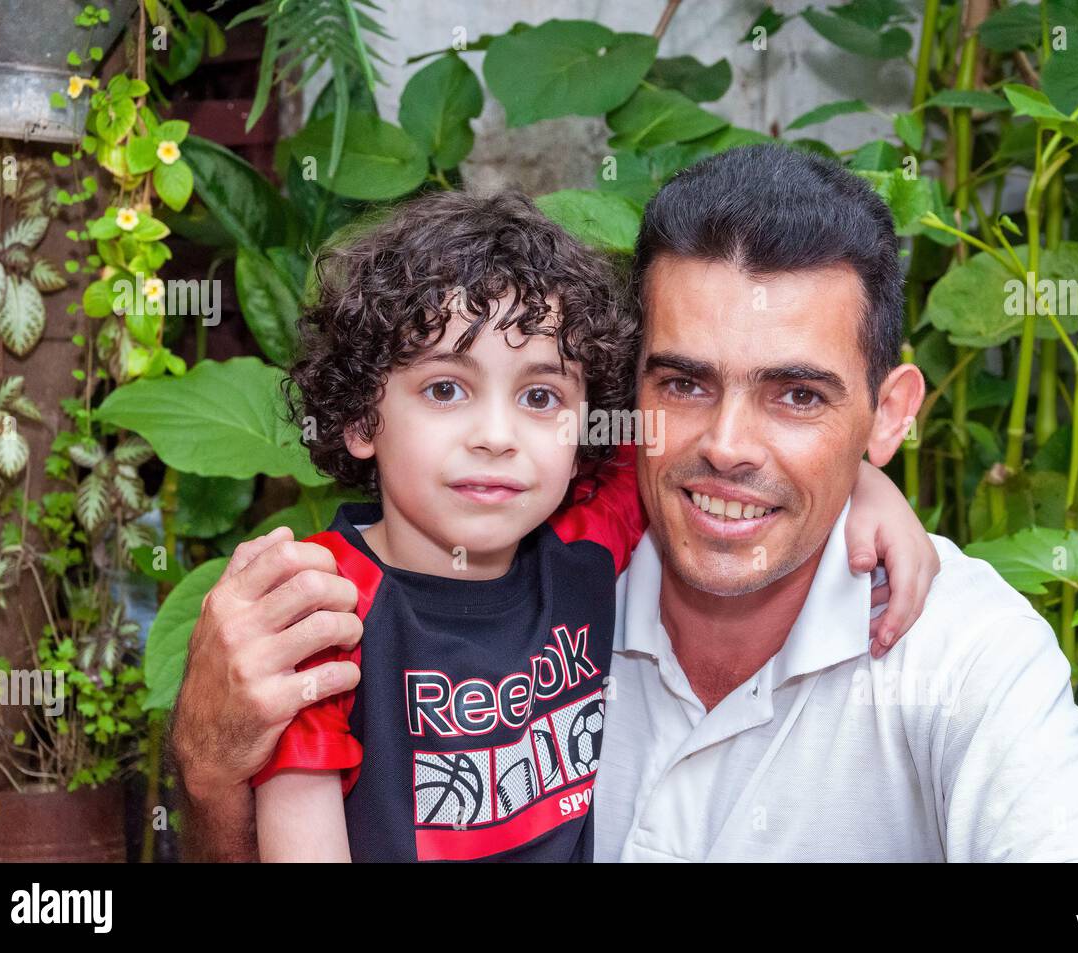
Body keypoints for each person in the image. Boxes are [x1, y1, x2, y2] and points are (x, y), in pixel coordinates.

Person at [205, 188, 939, 862]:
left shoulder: (582, 548)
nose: (497, 434)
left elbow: (737, 462)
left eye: (541, 396)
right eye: (445, 387)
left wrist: (867, 481)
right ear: (364, 415)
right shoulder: (322, 615)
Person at [591, 144, 1078, 861]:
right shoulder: (541, 585)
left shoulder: (963, 652)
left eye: (797, 396)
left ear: (889, 415)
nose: (727, 444)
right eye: (684, 384)